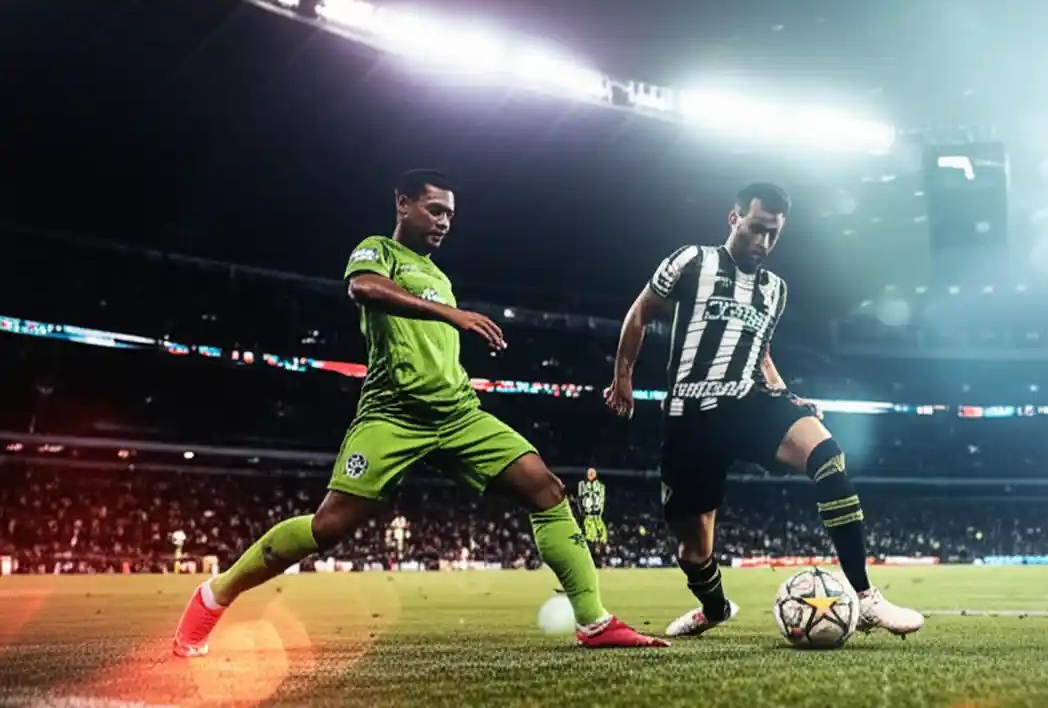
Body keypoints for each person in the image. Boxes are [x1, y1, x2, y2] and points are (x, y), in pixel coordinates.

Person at [172, 169, 667, 656]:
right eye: (434, 209)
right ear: (402, 205)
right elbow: (362, 288)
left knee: (547, 489)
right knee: (328, 527)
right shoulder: (378, 251)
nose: (444, 222)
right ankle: (216, 593)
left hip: (457, 413)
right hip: (392, 413)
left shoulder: (439, 277)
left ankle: (594, 621)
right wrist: (452, 314)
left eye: (450, 214)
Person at [604, 182, 924, 638]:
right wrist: (623, 377)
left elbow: (761, 353)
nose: (764, 243)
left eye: (773, 234)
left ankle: (866, 596)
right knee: (692, 550)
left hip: (748, 403)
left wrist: (786, 394)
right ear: (734, 219)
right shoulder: (691, 261)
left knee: (828, 455)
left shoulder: (775, 290)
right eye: (757, 230)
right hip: (691, 418)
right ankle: (714, 608)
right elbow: (640, 313)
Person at [577, 468, 608, 546]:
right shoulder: (582, 484)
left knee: (598, 528)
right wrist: (581, 510)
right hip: (587, 513)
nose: (591, 475)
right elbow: (579, 498)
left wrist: (599, 509)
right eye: (589, 473)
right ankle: (589, 540)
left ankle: (596, 540)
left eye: (592, 473)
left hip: (596, 513)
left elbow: (602, 499)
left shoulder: (600, 486)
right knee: (588, 528)